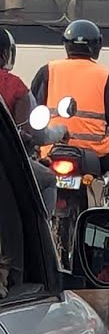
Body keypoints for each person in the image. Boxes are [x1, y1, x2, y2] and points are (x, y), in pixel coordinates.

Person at [30, 20, 109, 208]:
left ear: (66, 45)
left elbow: (34, 109)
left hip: (52, 147)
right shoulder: (105, 76)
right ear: (97, 46)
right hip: (97, 151)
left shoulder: (48, 70)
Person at [0, 29, 56, 215]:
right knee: (47, 180)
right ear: (5, 54)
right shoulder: (15, 86)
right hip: (4, 162)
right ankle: (41, 237)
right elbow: (31, 133)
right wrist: (59, 132)